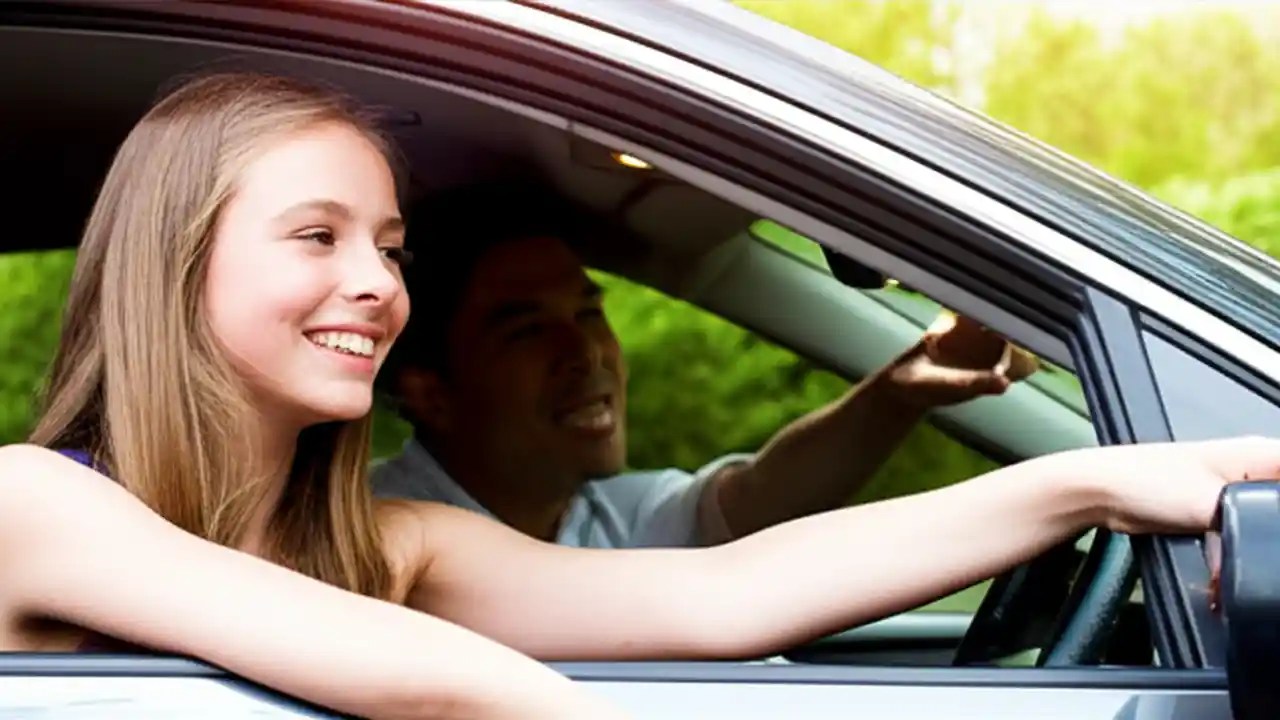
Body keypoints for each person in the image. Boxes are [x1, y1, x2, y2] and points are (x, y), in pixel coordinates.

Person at [0, 71, 1275, 720]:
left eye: (388, 248)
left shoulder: (387, 546)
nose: (377, 286)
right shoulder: (32, 507)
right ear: (175, 266)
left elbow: (724, 594)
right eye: (316, 237)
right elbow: (450, 685)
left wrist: (1080, 481)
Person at [372, 185, 1040, 546]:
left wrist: (898, 393)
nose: (584, 352)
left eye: (587, 313)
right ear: (429, 391)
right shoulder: (368, 531)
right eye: (525, 331)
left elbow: (756, 496)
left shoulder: (607, 515)